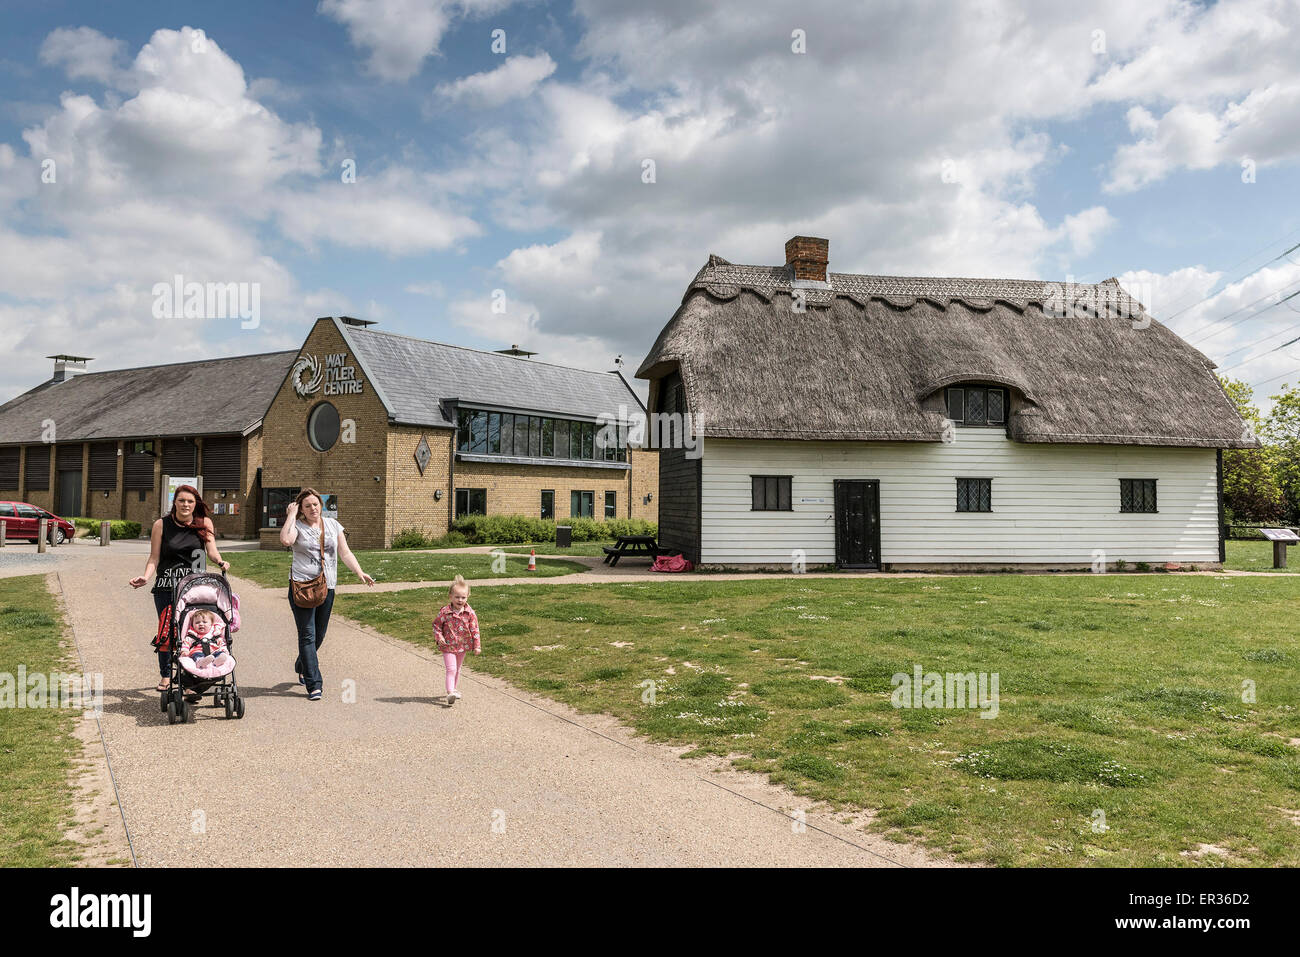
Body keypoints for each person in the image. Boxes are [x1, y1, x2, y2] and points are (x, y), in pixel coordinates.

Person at [129, 485, 228, 692]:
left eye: (190, 501)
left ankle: (190, 678)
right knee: (168, 631)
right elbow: (154, 557)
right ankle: (166, 675)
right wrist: (146, 577)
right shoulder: (161, 525)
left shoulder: (204, 523)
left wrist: (220, 562)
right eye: (182, 500)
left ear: (195, 504)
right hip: (167, 586)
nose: (186, 505)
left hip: (195, 588)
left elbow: (212, 551)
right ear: (175, 502)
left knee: (193, 632)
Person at [280, 488, 374, 701]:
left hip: (327, 586)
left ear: (321, 505)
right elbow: (286, 541)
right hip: (302, 587)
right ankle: (315, 684)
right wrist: (290, 515)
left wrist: (359, 572)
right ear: (301, 509)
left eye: (315, 504)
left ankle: (302, 664)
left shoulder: (332, 525)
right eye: (307, 506)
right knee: (307, 634)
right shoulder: (296, 525)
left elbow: (345, 552)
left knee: (319, 635)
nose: (313, 508)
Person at [432, 575, 480, 705]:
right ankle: (450, 692)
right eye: (457, 597)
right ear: (450, 596)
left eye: (463, 597)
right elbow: (436, 625)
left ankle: (453, 688)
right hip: (448, 646)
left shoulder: (470, 613)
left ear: (468, 596)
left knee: (457, 669)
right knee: (451, 669)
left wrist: (477, 646)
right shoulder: (445, 612)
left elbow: (475, 630)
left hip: (462, 646)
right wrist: (439, 637)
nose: (460, 600)